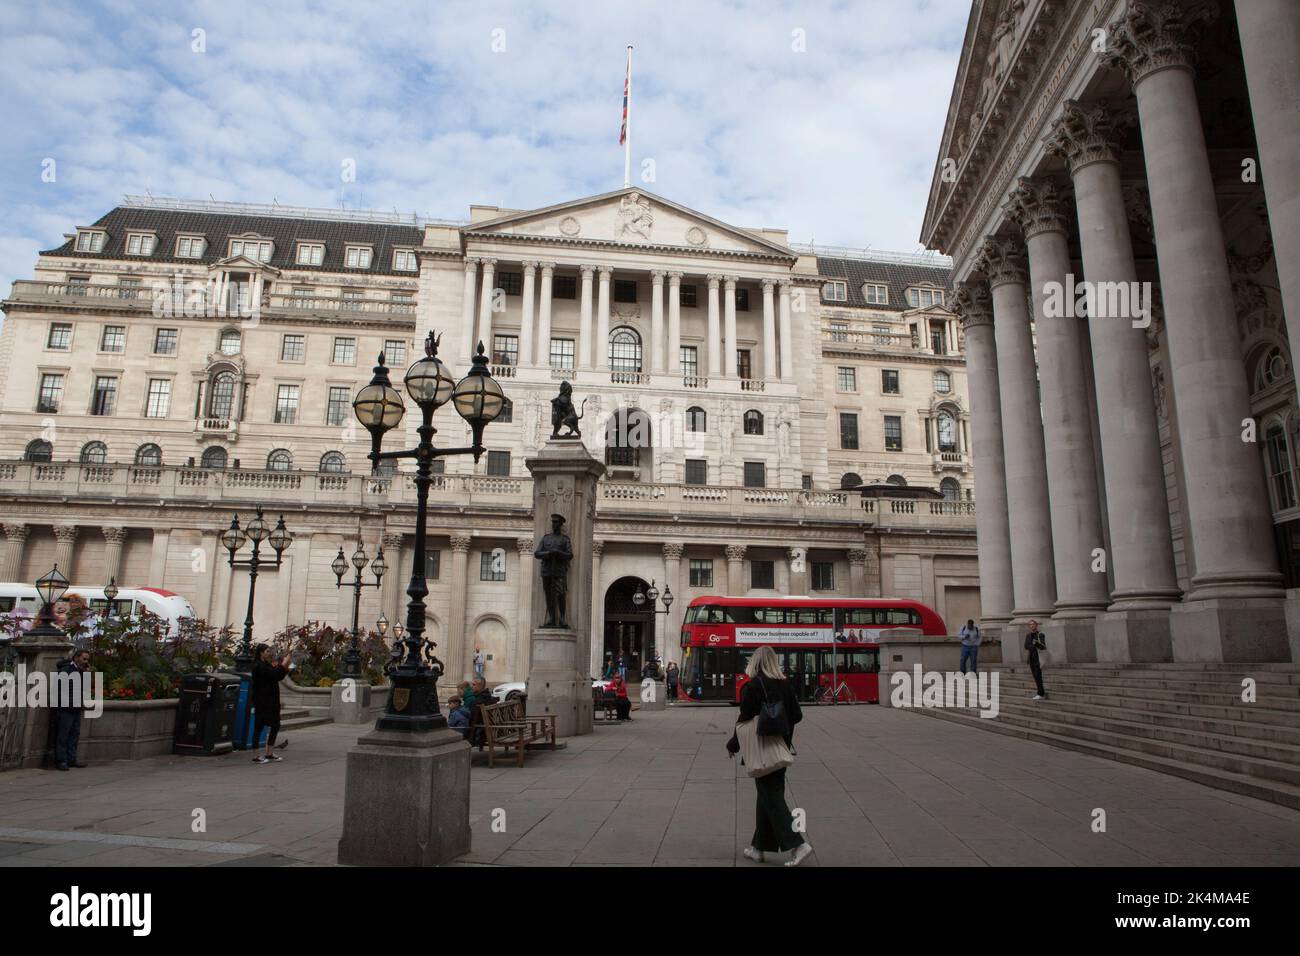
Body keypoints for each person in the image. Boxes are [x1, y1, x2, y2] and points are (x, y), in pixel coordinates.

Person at [726, 645, 812, 866]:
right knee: (766, 796)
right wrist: (783, 736)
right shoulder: (784, 684)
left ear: (755, 662)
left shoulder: (755, 685)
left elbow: (744, 719)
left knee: (772, 799)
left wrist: (733, 745)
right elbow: (797, 715)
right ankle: (758, 848)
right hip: (780, 749)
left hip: (763, 751)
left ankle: (798, 845)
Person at [250, 643, 290, 763]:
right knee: (259, 727)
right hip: (263, 701)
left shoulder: (266, 664)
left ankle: (269, 752)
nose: (269, 653)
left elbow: (277, 676)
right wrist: (283, 664)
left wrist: (284, 666)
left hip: (271, 701)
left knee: (275, 725)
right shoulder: (258, 666)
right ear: (261, 652)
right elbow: (273, 674)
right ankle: (256, 755)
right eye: (267, 651)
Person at [53, 649, 91, 771]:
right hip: (66, 707)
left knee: (74, 734)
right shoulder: (66, 670)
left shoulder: (80, 670)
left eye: (87, 659)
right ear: (76, 658)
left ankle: (71, 758)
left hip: (75, 706)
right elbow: (60, 689)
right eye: (84, 659)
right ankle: (61, 761)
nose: (86, 661)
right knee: (63, 735)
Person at [465, 677, 498, 748]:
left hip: (481, 733)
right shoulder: (487, 696)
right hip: (487, 730)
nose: (471, 687)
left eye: (474, 685)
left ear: (480, 686)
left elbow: (472, 717)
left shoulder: (479, 700)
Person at [1025, 620, 1047, 700]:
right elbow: (1026, 646)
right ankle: (1040, 692)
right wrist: (1033, 645)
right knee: (1035, 676)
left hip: (1038, 657)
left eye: (1033, 624)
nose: (1032, 626)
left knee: (1038, 676)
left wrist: (1035, 644)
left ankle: (1041, 693)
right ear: (1029, 626)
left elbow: (1043, 646)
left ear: (1036, 625)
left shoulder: (1040, 635)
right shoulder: (1028, 636)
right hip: (1031, 658)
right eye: (1030, 625)